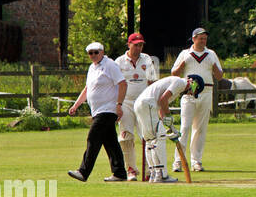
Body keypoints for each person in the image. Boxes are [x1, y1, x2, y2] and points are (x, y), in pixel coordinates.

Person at [66, 41, 129, 183]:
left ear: (102, 52)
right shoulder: (92, 68)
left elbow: (123, 84)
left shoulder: (110, 65)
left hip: (108, 109)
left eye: (96, 52)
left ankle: (83, 171)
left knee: (93, 138)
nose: (93, 55)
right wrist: (76, 105)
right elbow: (88, 88)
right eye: (90, 53)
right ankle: (119, 173)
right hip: (97, 110)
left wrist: (119, 105)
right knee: (110, 142)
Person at [133, 74, 205, 184]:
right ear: (194, 84)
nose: (190, 94)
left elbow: (161, 106)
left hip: (142, 104)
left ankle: (154, 174)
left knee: (150, 140)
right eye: (193, 91)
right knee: (158, 137)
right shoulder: (181, 83)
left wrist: (171, 127)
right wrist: (169, 117)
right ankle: (161, 175)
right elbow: (163, 100)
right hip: (147, 104)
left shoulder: (176, 86)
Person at [171, 28, 224, 171]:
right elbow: (174, 73)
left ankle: (196, 161)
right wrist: (182, 66)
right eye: (200, 38)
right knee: (185, 127)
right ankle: (178, 161)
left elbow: (219, 76)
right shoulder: (185, 54)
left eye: (205, 39)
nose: (203, 41)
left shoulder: (211, 54)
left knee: (200, 129)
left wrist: (214, 66)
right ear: (193, 39)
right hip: (189, 91)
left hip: (206, 91)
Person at [115, 32, 158, 180]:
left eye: (141, 45)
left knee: (147, 135)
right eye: (136, 45)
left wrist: (154, 102)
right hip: (126, 102)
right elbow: (115, 85)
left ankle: (148, 171)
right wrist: (117, 105)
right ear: (129, 44)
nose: (139, 48)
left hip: (144, 102)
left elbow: (152, 82)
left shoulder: (147, 59)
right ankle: (131, 170)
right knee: (126, 136)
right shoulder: (119, 62)